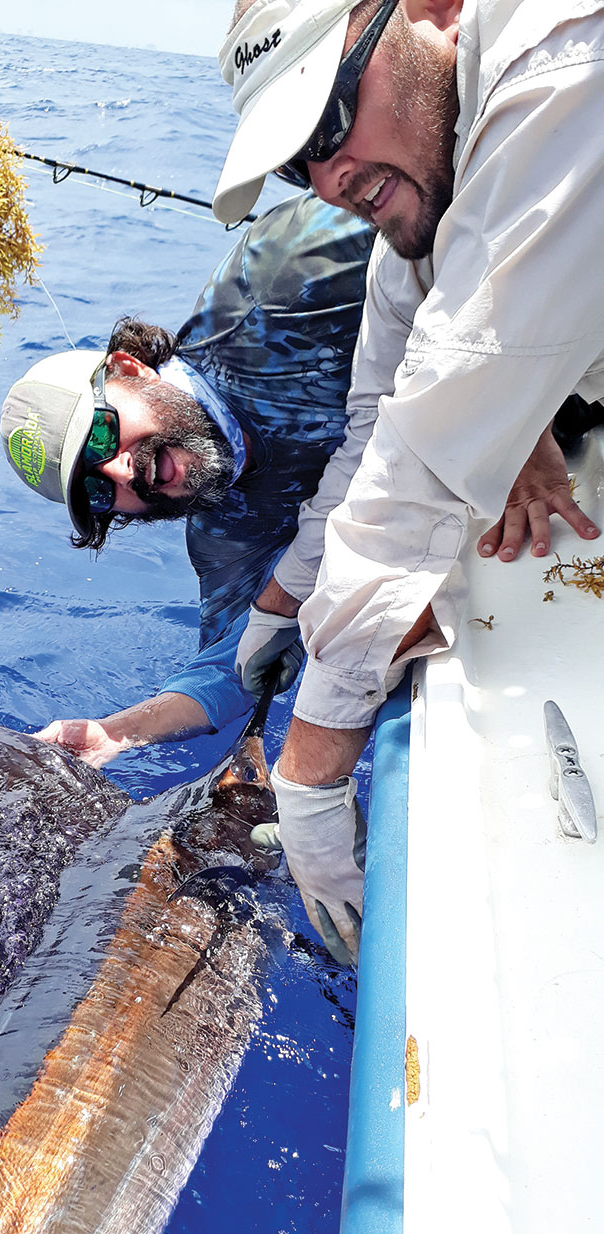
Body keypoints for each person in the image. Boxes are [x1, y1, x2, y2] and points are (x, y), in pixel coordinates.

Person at [211, 0, 604, 961]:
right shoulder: (414, 236)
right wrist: (280, 602)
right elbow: (372, 435)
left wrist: (309, 781)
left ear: (436, 10)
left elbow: (415, 475)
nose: (327, 180)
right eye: (297, 163)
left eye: (330, 120)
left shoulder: (564, 73)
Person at [0, 193, 374, 764]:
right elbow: (234, 668)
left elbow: (463, 206)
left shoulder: (280, 277)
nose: (121, 471)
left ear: (129, 368)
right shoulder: (226, 535)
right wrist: (114, 733)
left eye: (101, 435)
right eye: (99, 491)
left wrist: (515, 446)